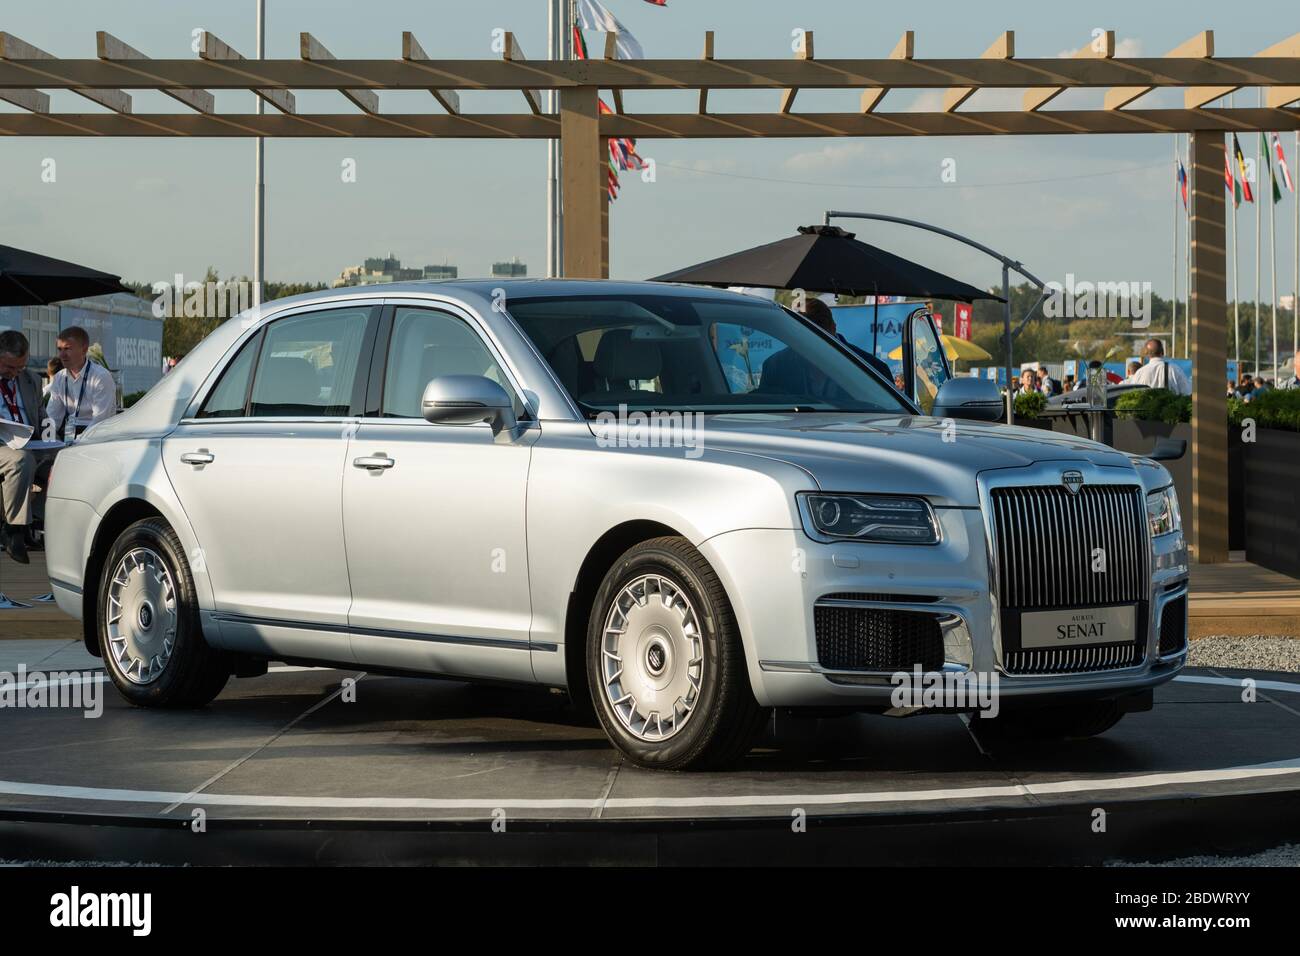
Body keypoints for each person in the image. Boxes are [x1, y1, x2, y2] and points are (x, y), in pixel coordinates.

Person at [0, 330, 43, 564]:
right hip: (3, 447)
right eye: (9, 367)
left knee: (73, 460)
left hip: (30, 443)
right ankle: (14, 529)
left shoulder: (31, 380)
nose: (15, 373)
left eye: (20, 367)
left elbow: (42, 416)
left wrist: (51, 434)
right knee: (21, 460)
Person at [45, 326, 117, 443]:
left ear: (84, 350)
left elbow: (99, 421)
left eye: (67, 349)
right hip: (70, 438)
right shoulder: (59, 377)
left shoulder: (101, 377)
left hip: (98, 441)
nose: (62, 355)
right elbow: (52, 417)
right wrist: (46, 442)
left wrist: (75, 443)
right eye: (60, 349)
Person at [1124, 338, 1191, 395]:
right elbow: (1187, 393)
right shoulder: (1175, 369)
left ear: (1147, 354)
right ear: (1162, 351)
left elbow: (1133, 396)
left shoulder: (1140, 373)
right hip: (1171, 409)